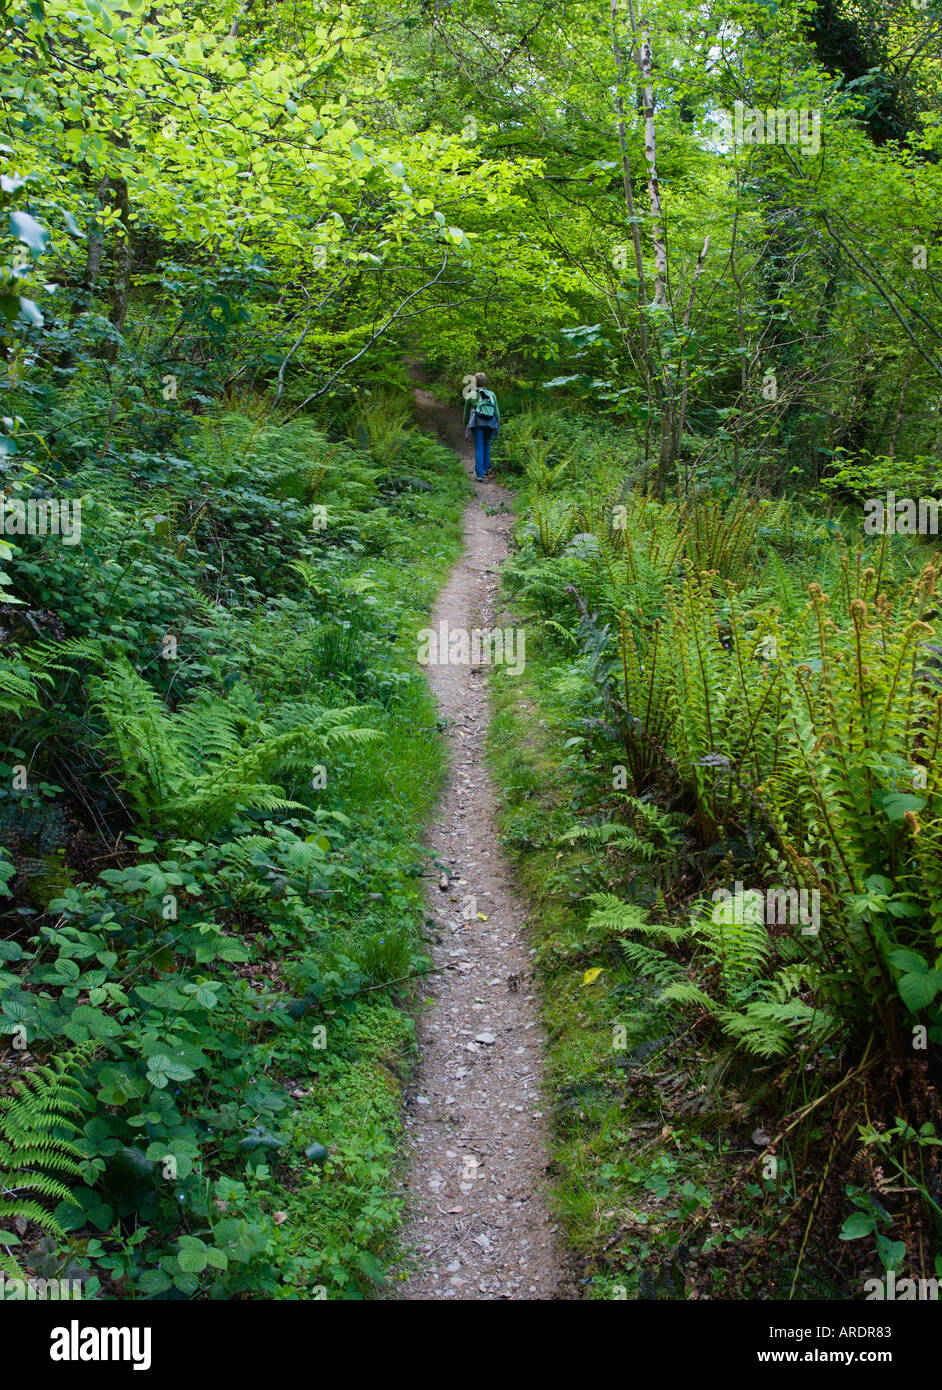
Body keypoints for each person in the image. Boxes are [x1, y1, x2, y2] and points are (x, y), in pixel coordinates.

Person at [463, 371, 500, 481]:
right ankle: (485, 470)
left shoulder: (470, 394)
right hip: (490, 422)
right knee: (486, 444)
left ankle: (479, 474)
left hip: (477, 422)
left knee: (479, 446)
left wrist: (467, 428)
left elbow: (466, 414)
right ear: (485, 382)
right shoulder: (491, 394)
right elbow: (497, 412)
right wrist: (498, 423)